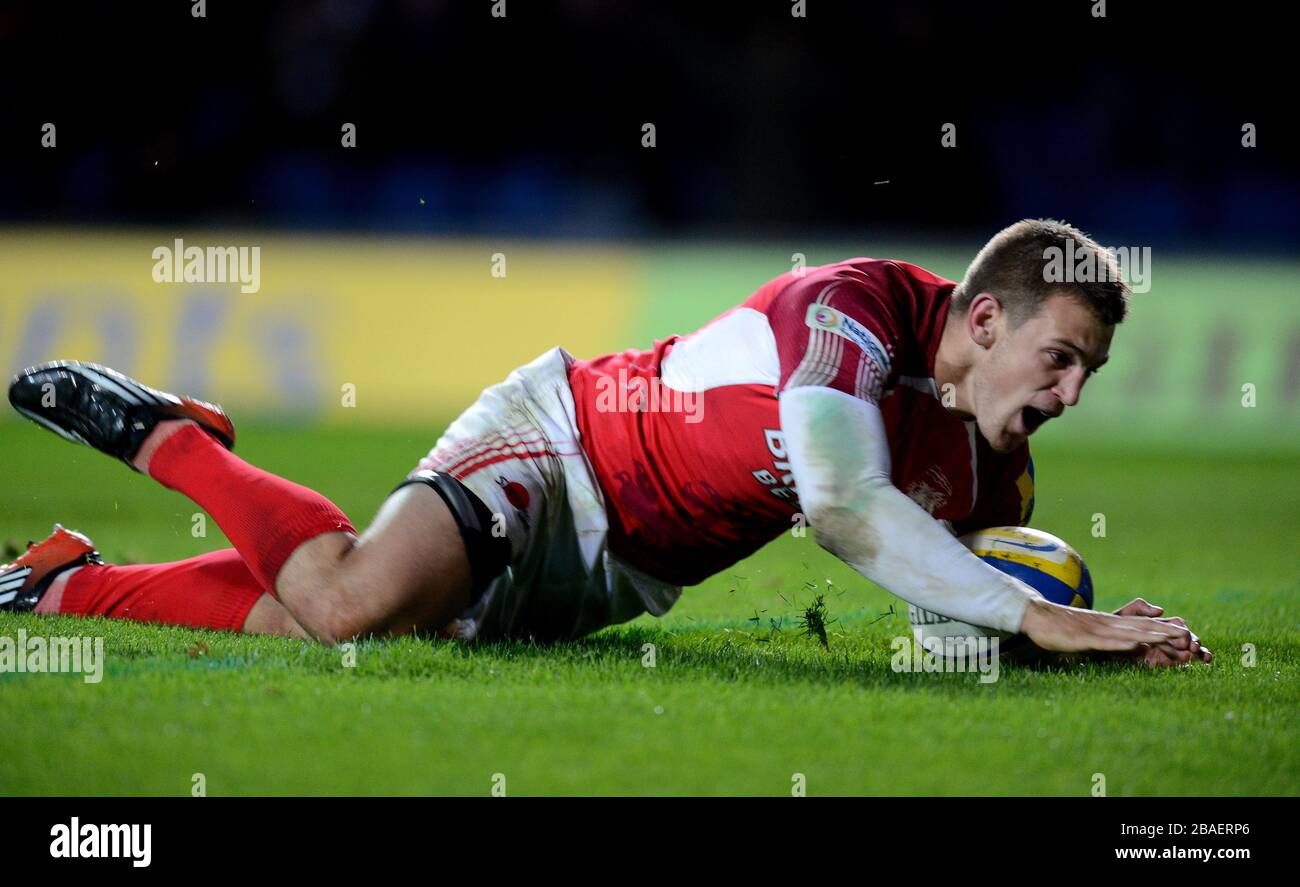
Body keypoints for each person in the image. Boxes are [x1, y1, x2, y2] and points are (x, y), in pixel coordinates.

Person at [2, 219, 1210, 667]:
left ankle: (61, 585)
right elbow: (845, 503)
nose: (1070, 390)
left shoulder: (1000, 467)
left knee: (298, 615)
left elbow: (949, 614)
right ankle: (178, 440)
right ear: (984, 318)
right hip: (560, 447)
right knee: (352, 603)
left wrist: (1085, 627)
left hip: (625, 570)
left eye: (1089, 372)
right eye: (1059, 357)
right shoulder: (850, 309)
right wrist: (1034, 611)